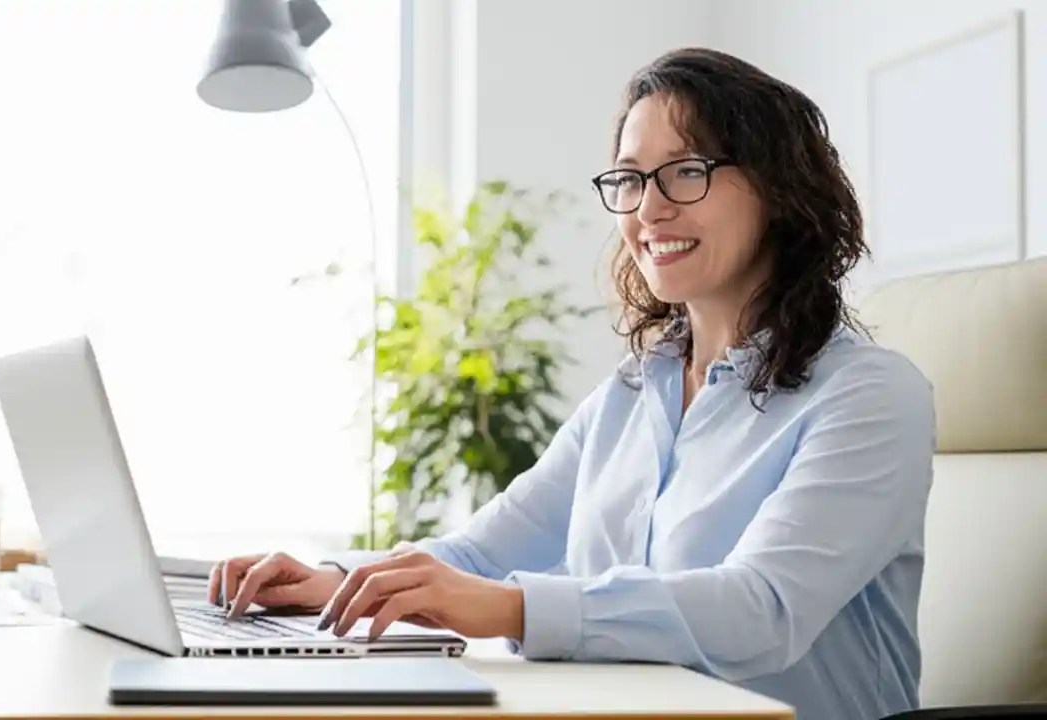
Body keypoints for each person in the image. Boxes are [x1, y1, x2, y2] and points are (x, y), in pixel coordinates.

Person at [206, 48, 935, 720]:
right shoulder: (631, 395)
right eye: (629, 178)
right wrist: (338, 580)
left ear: (779, 189)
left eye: (687, 171)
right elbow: (476, 555)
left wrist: (513, 610)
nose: (649, 208)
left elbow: (763, 607)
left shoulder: (869, 397)